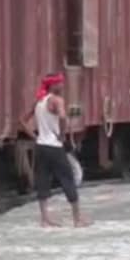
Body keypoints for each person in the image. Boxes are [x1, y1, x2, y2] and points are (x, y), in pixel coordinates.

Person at [31, 72, 91, 228]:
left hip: (40, 146)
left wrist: (35, 136)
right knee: (68, 178)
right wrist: (62, 135)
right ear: (53, 85)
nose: (62, 86)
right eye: (60, 83)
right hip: (54, 146)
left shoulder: (39, 101)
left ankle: (44, 219)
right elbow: (63, 117)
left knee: (42, 180)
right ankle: (77, 219)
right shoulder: (57, 100)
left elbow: (23, 120)